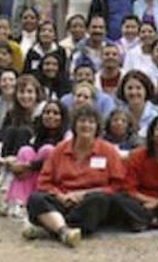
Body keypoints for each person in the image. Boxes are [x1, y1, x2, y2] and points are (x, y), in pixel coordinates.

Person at [22, 106, 126, 248]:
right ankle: (64, 231)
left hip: (89, 202)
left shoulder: (108, 150)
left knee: (99, 200)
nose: (86, 125)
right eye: (82, 121)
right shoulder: (60, 149)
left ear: (97, 127)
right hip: (62, 201)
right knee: (35, 198)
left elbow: (117, 186)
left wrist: (83, 195)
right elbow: (44, 182)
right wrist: (60, 196)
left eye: (91, 122)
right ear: (74, 125)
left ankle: (50, 226)